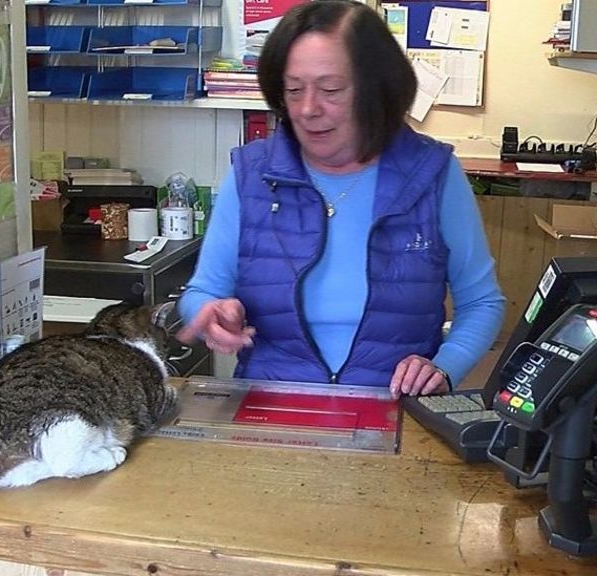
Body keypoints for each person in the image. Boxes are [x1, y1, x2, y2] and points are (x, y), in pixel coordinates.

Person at [176, 0, 505, 399]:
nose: (308, 109)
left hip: (397, 412)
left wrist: (443, 368)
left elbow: (482, 302)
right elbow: (202, 292)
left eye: (330, 89)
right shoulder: (251, 174)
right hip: (270, 412)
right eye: (294, 90)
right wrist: (210, 315)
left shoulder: (432, 173)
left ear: (376, 90)